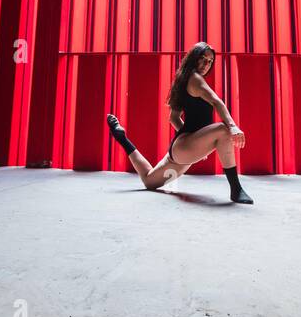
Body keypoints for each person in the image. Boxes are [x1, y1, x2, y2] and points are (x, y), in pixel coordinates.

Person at [105, 41, 253, 203]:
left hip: (181, 148)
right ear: (194, 58)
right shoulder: (195, 79)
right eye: (203, 59)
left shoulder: (183, 80)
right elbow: (217, 102)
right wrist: (232, 126)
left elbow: (173, 118)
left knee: (149, 181)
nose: (206, 64)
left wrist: (196, 142)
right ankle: (236, 189)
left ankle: (122, 138)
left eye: (210, 61)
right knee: (223, 130)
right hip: (183, 147)